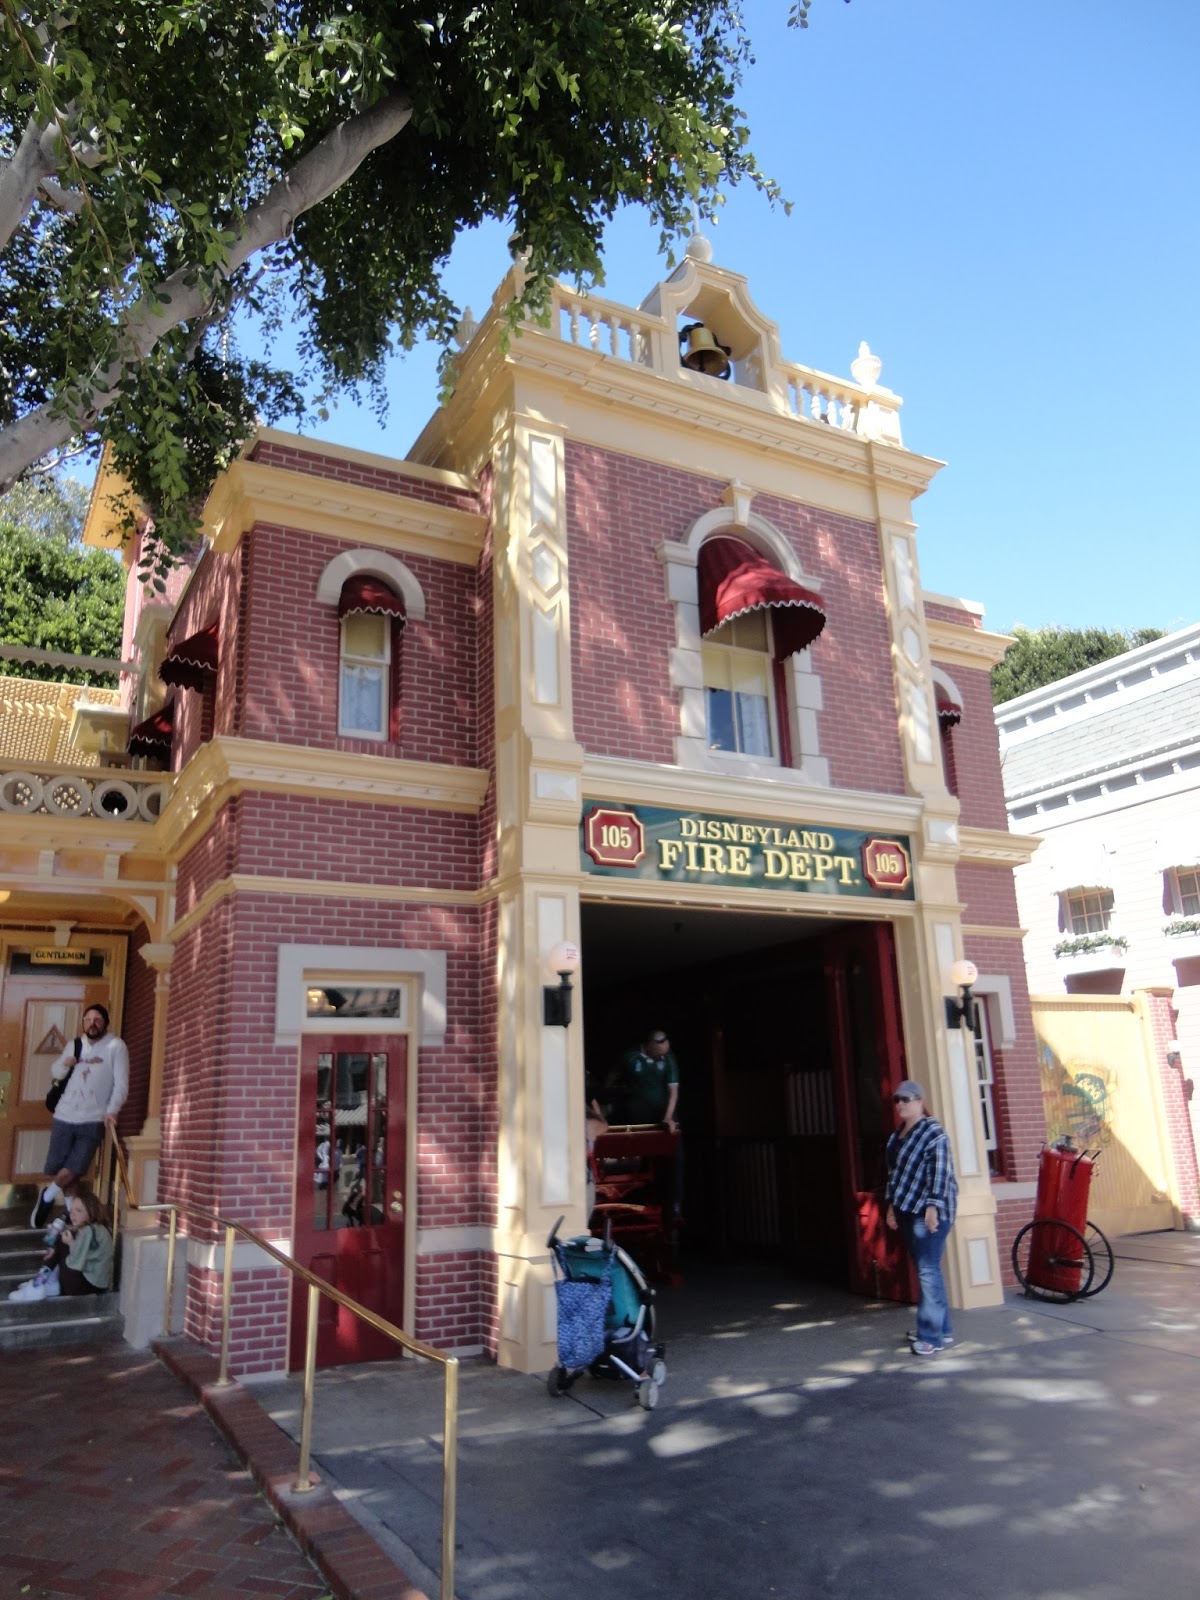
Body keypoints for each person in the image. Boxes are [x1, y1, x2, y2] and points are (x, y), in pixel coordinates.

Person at [32, 1004, 129, 1230]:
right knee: (63, 1169)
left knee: (76, 1166)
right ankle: (70, 1215)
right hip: (65, 1114)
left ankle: (47, 1195)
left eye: (97, 1019)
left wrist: (112, 1109)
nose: (92, 1023)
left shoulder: (116, 1046)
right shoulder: (74, 1045)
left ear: (105, 1022)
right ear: (83, 1023)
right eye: (87, 1019)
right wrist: (65, 1065)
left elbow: (121, 1084)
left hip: (93, 1118)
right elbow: (55, 1072)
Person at [885, 1079, 958, 1357]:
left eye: (907, 1099)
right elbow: (895, 1175)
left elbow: (939, 1172)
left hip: (928, 1210)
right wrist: (891, 1207)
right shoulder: (898, 1135)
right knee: (926, 1269)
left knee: (928, 1270)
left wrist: (932, 1208)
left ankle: (931, 1337)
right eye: (897, 1100)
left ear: (920, 1102)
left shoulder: (933, 1133)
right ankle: (944, 1329)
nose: (901, 1104)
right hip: (906, 1207)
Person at [10, 1185, 114, 1302]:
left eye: (78, 1211)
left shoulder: (88, 1231)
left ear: (91, 1211)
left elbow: (76, 1261)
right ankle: (46, 1282)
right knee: (63, 1238)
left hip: (85, 1286)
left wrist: (69, 1244)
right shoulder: (98, 1228)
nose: (73, 1214)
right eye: (72, 1210)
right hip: (96, 1285)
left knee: (62, 1240)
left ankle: (39, 1284)